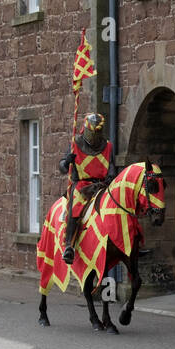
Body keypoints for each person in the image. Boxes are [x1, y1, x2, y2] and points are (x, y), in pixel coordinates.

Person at [60, 112, 116, 264]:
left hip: (103, 185)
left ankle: (128, 243)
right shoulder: (75, 144)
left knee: (120, 205)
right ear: (86, 130)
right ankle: (69, 246)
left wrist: (111, 177)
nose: (95, 135)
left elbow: (111, 165)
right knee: (76, 207)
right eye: (93, 132)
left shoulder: (108, 146)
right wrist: (67, 162)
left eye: (98, 132)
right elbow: (62, 167)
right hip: (82, 186)